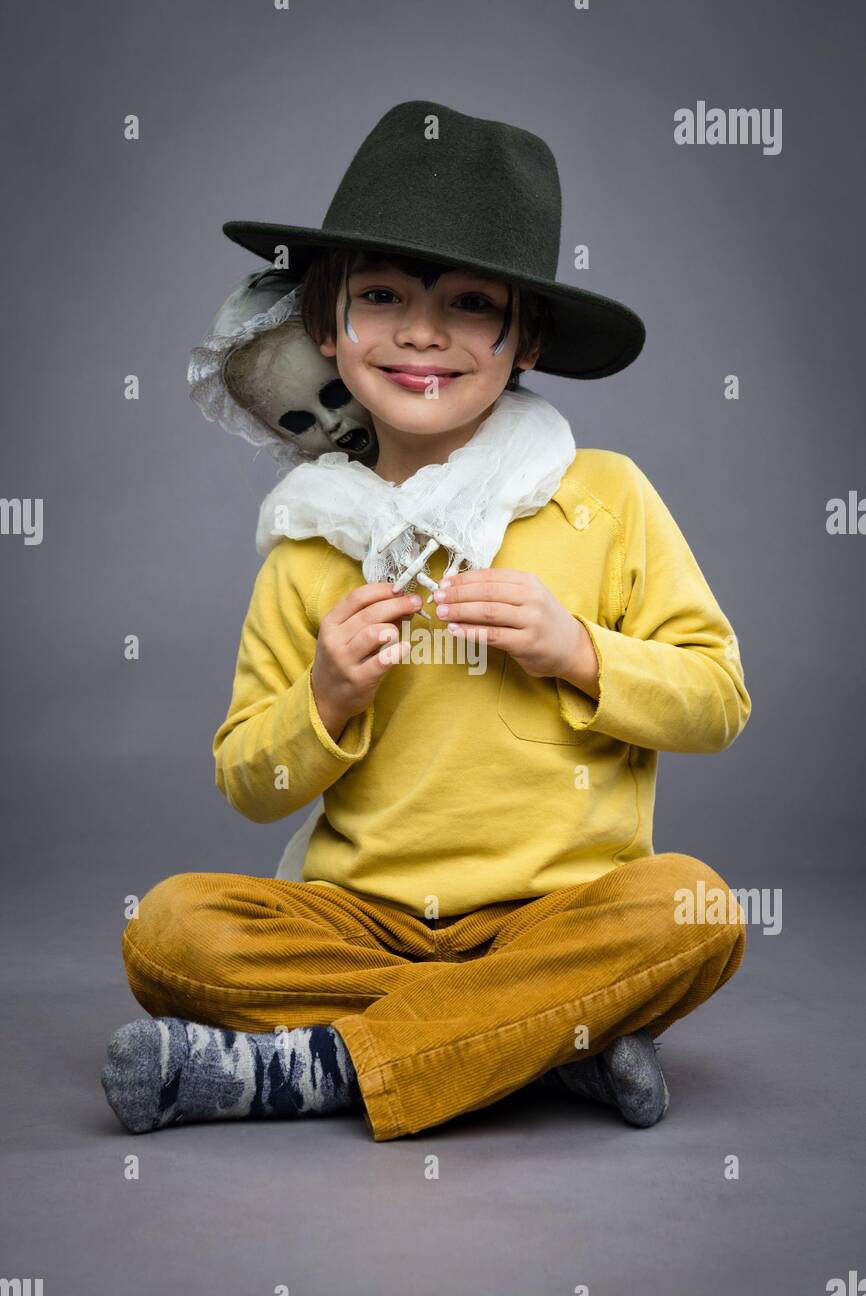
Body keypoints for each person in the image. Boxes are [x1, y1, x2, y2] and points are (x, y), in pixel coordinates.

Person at [101, 100, 750, 1142]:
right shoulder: (313, 540)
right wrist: (323, 699)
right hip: (361, 925)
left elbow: (717, 699)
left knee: (695, 910)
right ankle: (541, 1048)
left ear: (523, 333)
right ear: (328, 324)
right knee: (171, 932)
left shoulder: (603, 495)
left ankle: (311, 1069)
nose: (420, 332)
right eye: (383, 296)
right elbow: (245, 783)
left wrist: (579, 652)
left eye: (467, 303)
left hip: (556, 918)